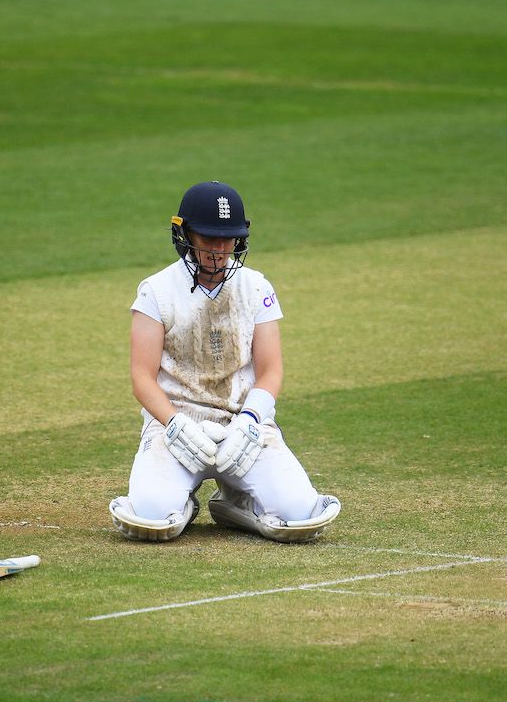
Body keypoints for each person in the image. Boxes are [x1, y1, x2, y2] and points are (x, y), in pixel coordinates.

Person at [108, 180, 341, 542]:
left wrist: (251, 420)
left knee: (300, 515)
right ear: (185, 234)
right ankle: (183, 504)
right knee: (151, 517)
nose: (219, 249)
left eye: (227, 239)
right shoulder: (155, 291)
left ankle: (236, 503)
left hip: (243, 426)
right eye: (208, 239)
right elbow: (142, 376)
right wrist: (173, 424)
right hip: (176, 425)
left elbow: (270, 371)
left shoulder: (257, 286)